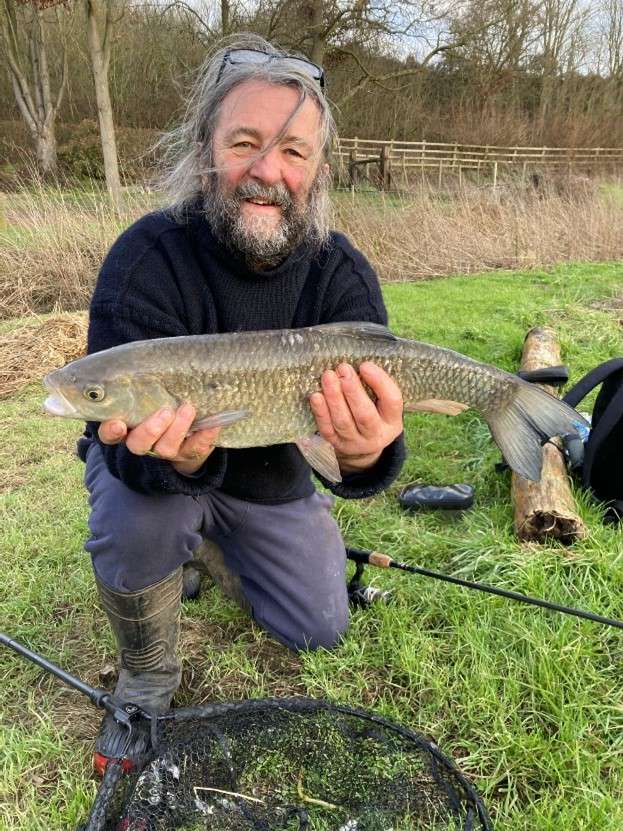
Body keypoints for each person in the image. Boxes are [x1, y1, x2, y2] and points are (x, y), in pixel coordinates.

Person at [80, 33, 406, 766]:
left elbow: (363, 457)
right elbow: (119, 441)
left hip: (270, 477)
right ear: (205, 150)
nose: (267, 171)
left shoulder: (341, 273)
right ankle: (147, 672)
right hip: (154, 479)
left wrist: (366, 453)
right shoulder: (145, 259)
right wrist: (168, 459)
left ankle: (216, 551)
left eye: (293, 151)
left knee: (319, 624)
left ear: (318, 169)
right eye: (245, 142)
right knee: (141, 514)